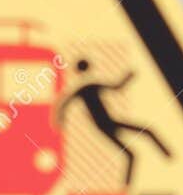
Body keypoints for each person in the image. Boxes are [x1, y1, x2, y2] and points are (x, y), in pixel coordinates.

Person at [57, 57, 171, 187]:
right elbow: (65, 104)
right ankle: (126, 187)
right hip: (105, 125)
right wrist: (60, 119)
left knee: (143, 138)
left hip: (108, 123)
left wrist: (128, 77)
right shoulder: (85, 89)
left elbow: (117, 86)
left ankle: (170, 159)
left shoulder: (91, 87)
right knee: (132, 152)